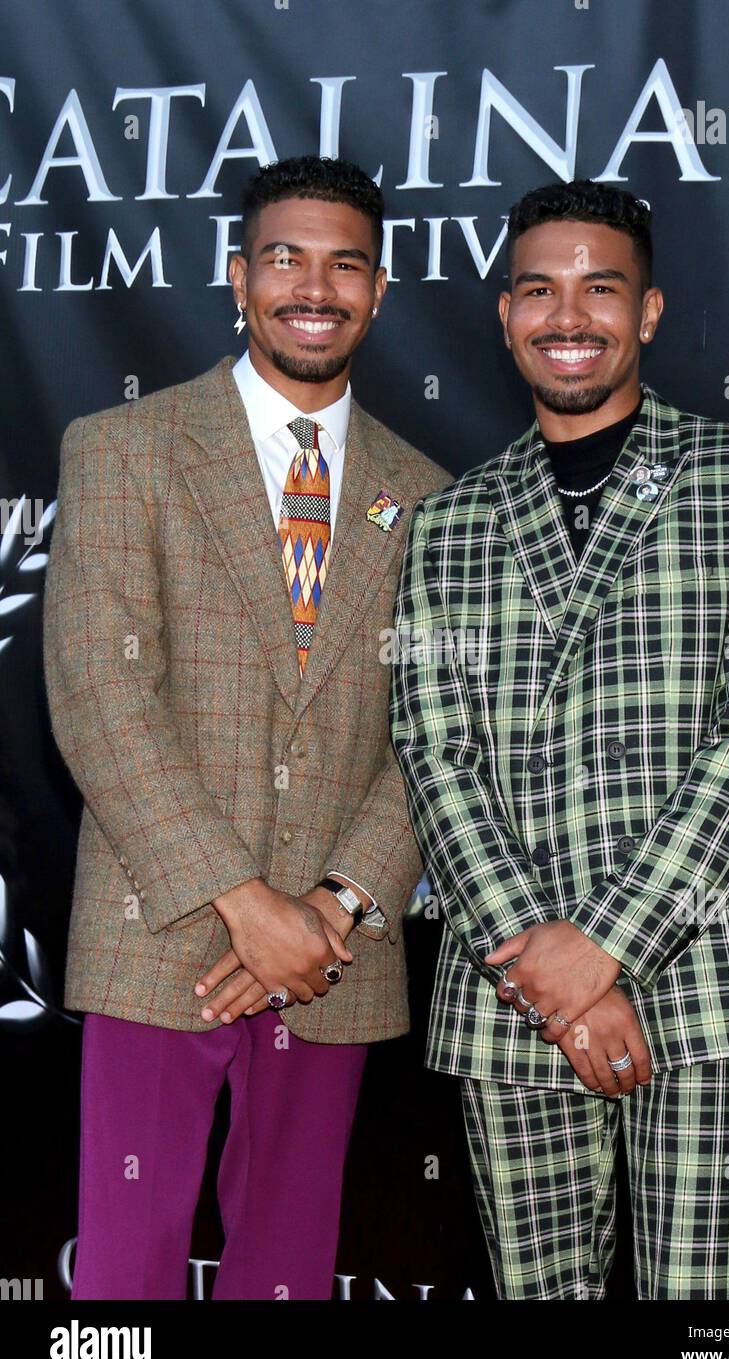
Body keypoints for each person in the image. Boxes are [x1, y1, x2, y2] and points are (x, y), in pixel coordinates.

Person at [390, 179, 729, 1300]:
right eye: (538, 288)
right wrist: (546, 968)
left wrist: (606, 949)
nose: (566, 314)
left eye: (600, 287)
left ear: (648, 311)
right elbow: (433, 752)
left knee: (701, 1299)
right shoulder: (447, 522)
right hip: (507, 983)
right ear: (503, 315)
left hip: (700, 971)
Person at [42, 155, 450, 1300]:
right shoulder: (123, 449)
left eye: (343, 264)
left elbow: (432, 730)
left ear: (378, 291)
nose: (311, 287)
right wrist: (242, 900)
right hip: (157, 926)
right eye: (283, 257)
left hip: (333, 959)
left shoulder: (430, 497)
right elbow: (97, 697)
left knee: (288, 1268)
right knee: (120, 1279)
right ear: (236, 277)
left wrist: (332, 907)